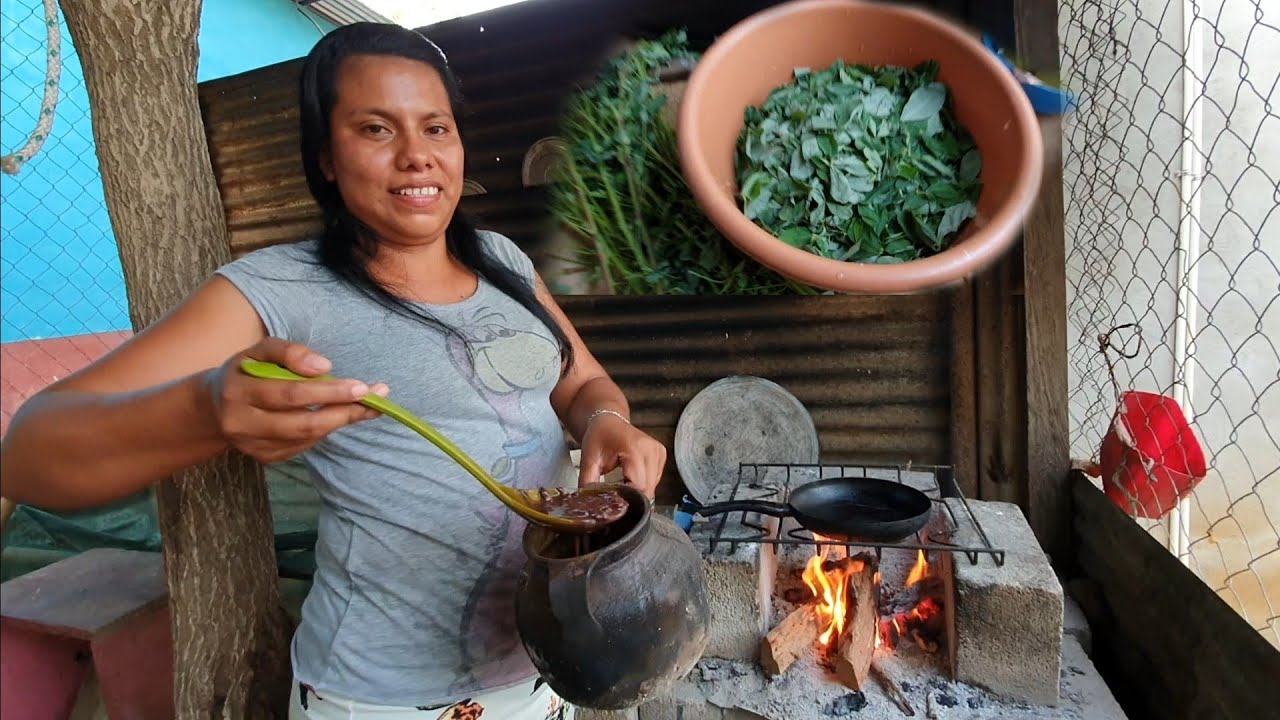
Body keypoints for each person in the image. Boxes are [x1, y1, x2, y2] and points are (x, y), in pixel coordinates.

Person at [0, 21, 668, 720]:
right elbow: (29, 454)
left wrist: (608, 423)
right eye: (377, 130)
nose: (417, 157)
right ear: (325, 155)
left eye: (436, 128)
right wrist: (203, 412)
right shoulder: (279, 291)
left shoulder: (502, 259)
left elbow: (583, 383)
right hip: (382, 696)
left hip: (538, 667)